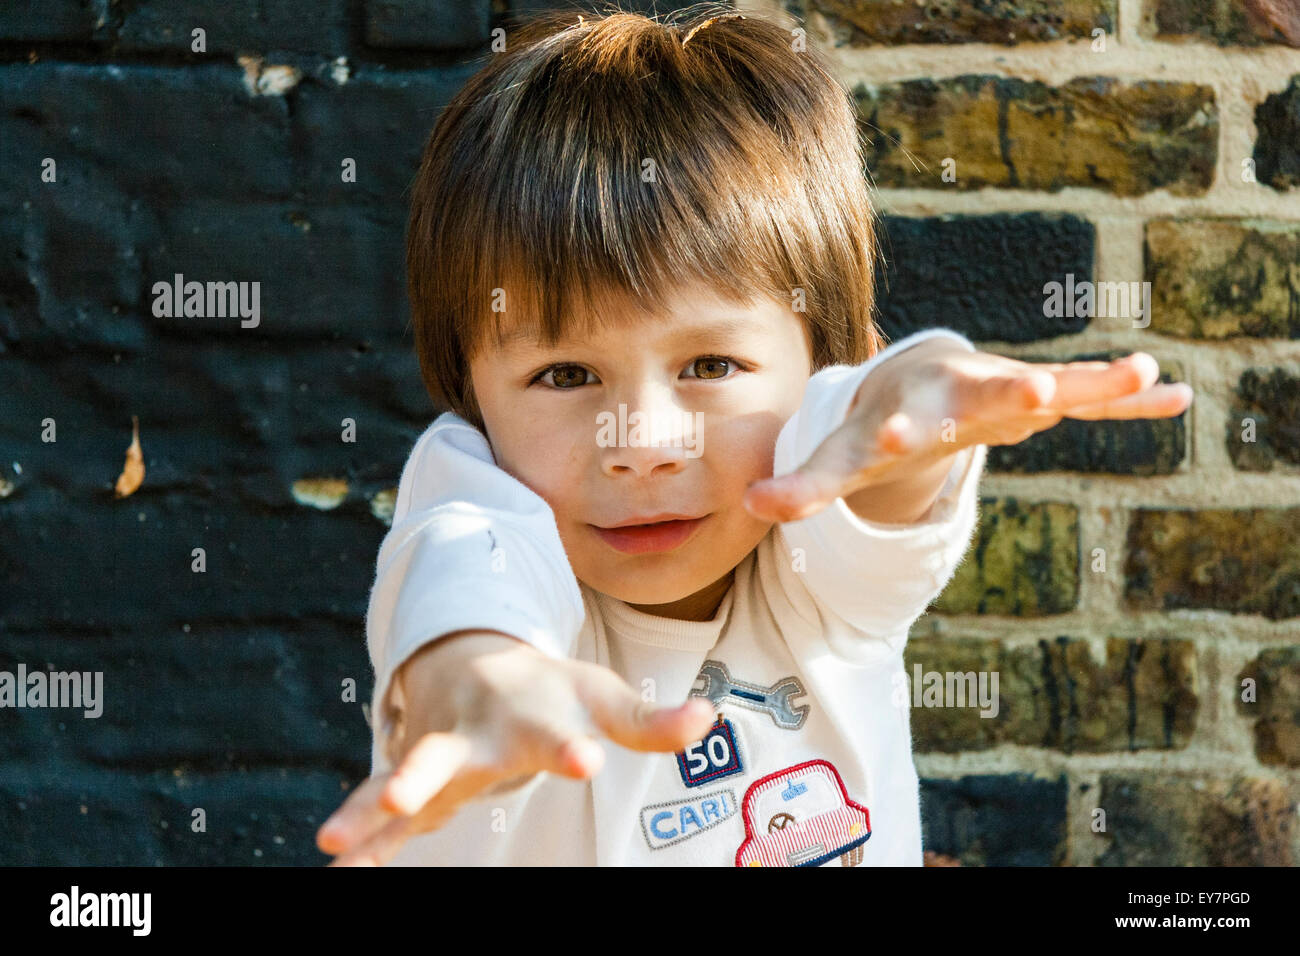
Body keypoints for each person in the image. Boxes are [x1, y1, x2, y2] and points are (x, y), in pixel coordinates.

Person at [315, 6, 1192, 866]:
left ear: (820, 361)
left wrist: (918, 409)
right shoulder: (471, 493)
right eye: (567, 376)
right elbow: (466, 576)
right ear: (470, 388)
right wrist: (472, 679)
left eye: (710, 365)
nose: (643, 442)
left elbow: (871, 458)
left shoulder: (812, 562)